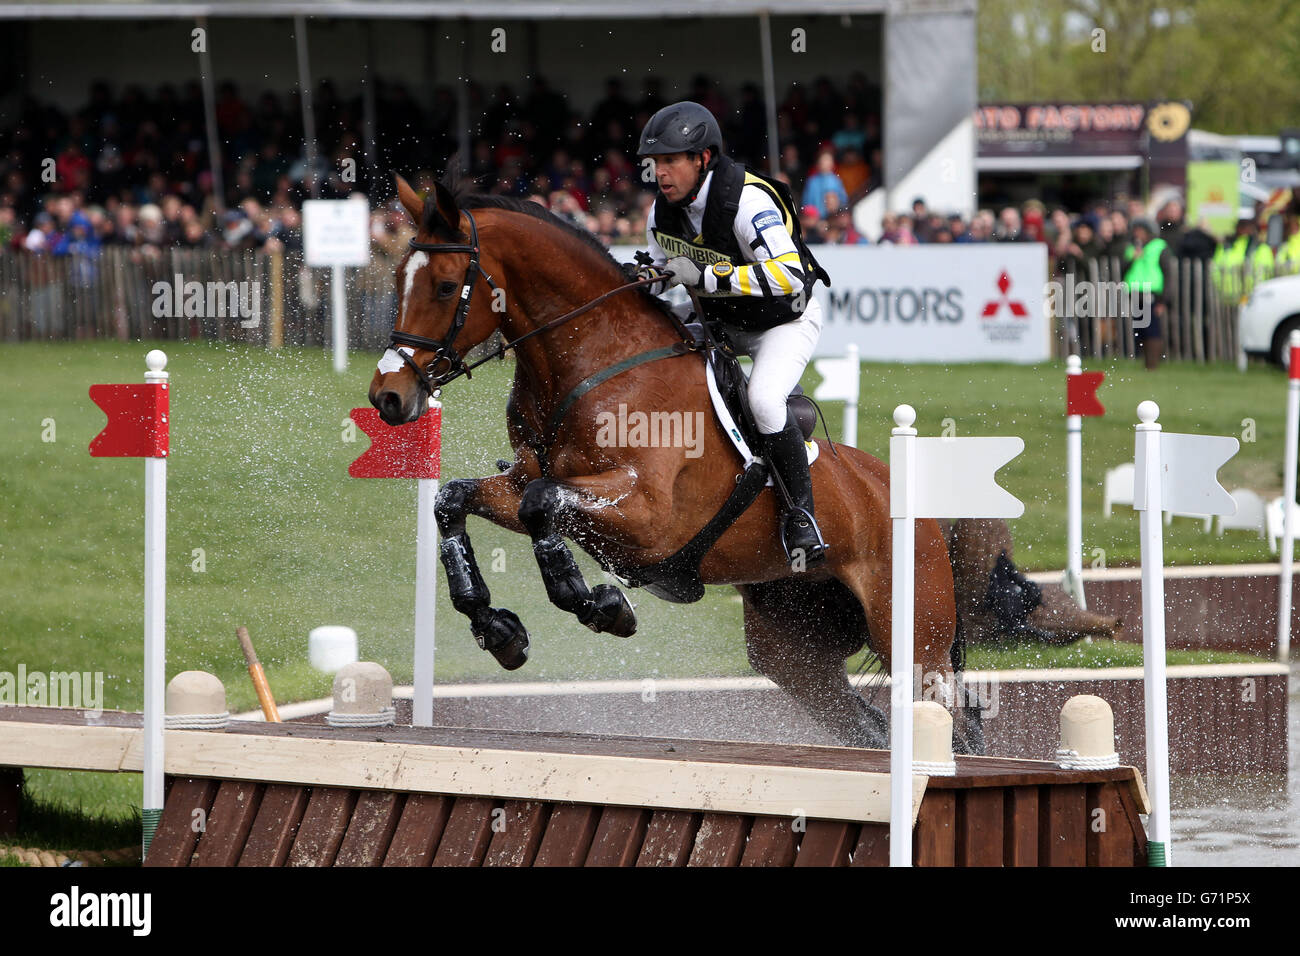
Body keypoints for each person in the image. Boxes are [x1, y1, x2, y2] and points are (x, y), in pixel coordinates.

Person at [636, 100, 832, 566]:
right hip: (721, 323)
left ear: (702, 159)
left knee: (763, 400)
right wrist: (647, 278)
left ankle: (801, 518)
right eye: (654, 163)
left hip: (784, 321)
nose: (659, 174)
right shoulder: (659, 215)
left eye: (669, 161)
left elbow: (788, 275)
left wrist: (705, 279)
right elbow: (667, 273)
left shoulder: (747, 200)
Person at [1123, 219, 1172, 370]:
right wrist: (1133, 257)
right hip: (1134, 293)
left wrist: (1163, 300)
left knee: (1151, 328)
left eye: (1140, 231)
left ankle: (1152, 364)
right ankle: (1146, 362)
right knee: (1140, 328)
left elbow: (1167, 274)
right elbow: (1124, 268)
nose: (1137, 234)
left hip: (1151, 293)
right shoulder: (1132, 249)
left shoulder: (1159, 247)